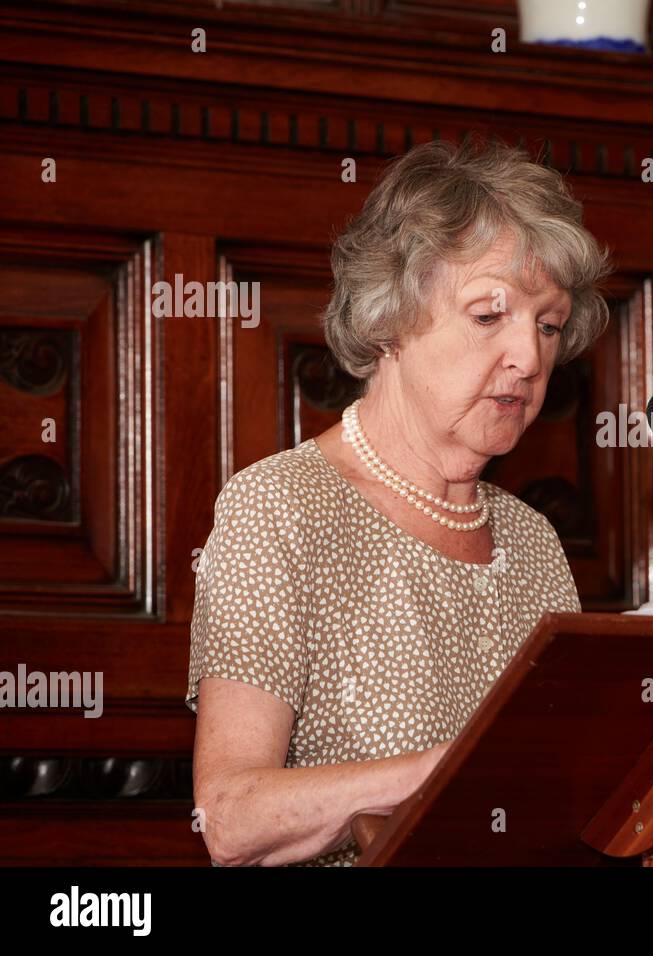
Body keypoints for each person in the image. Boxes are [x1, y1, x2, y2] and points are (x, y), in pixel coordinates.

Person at [185, 138, 611, 866]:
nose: (531, 358)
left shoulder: (534, 542)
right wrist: (455, 770)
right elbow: (230, 819)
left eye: (547, 324)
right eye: (488, 316)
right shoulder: (281, 508)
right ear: (389, 319)